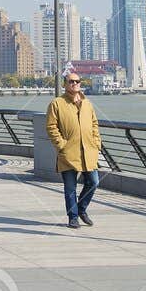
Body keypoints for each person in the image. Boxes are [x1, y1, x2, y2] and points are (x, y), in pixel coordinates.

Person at [46, 75, 102, 229]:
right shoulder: (57, 104)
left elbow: (94, 124)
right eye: (71, 81)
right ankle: (73, 217)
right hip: (68, 153)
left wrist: (96, 143)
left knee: (94, 182)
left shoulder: (87, 103)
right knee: (70, 188)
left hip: (88, 151)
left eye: (77, 81)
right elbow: (51, 127)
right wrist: (61, 145)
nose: (75, 84)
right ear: (65, 84)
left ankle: (81, 209)